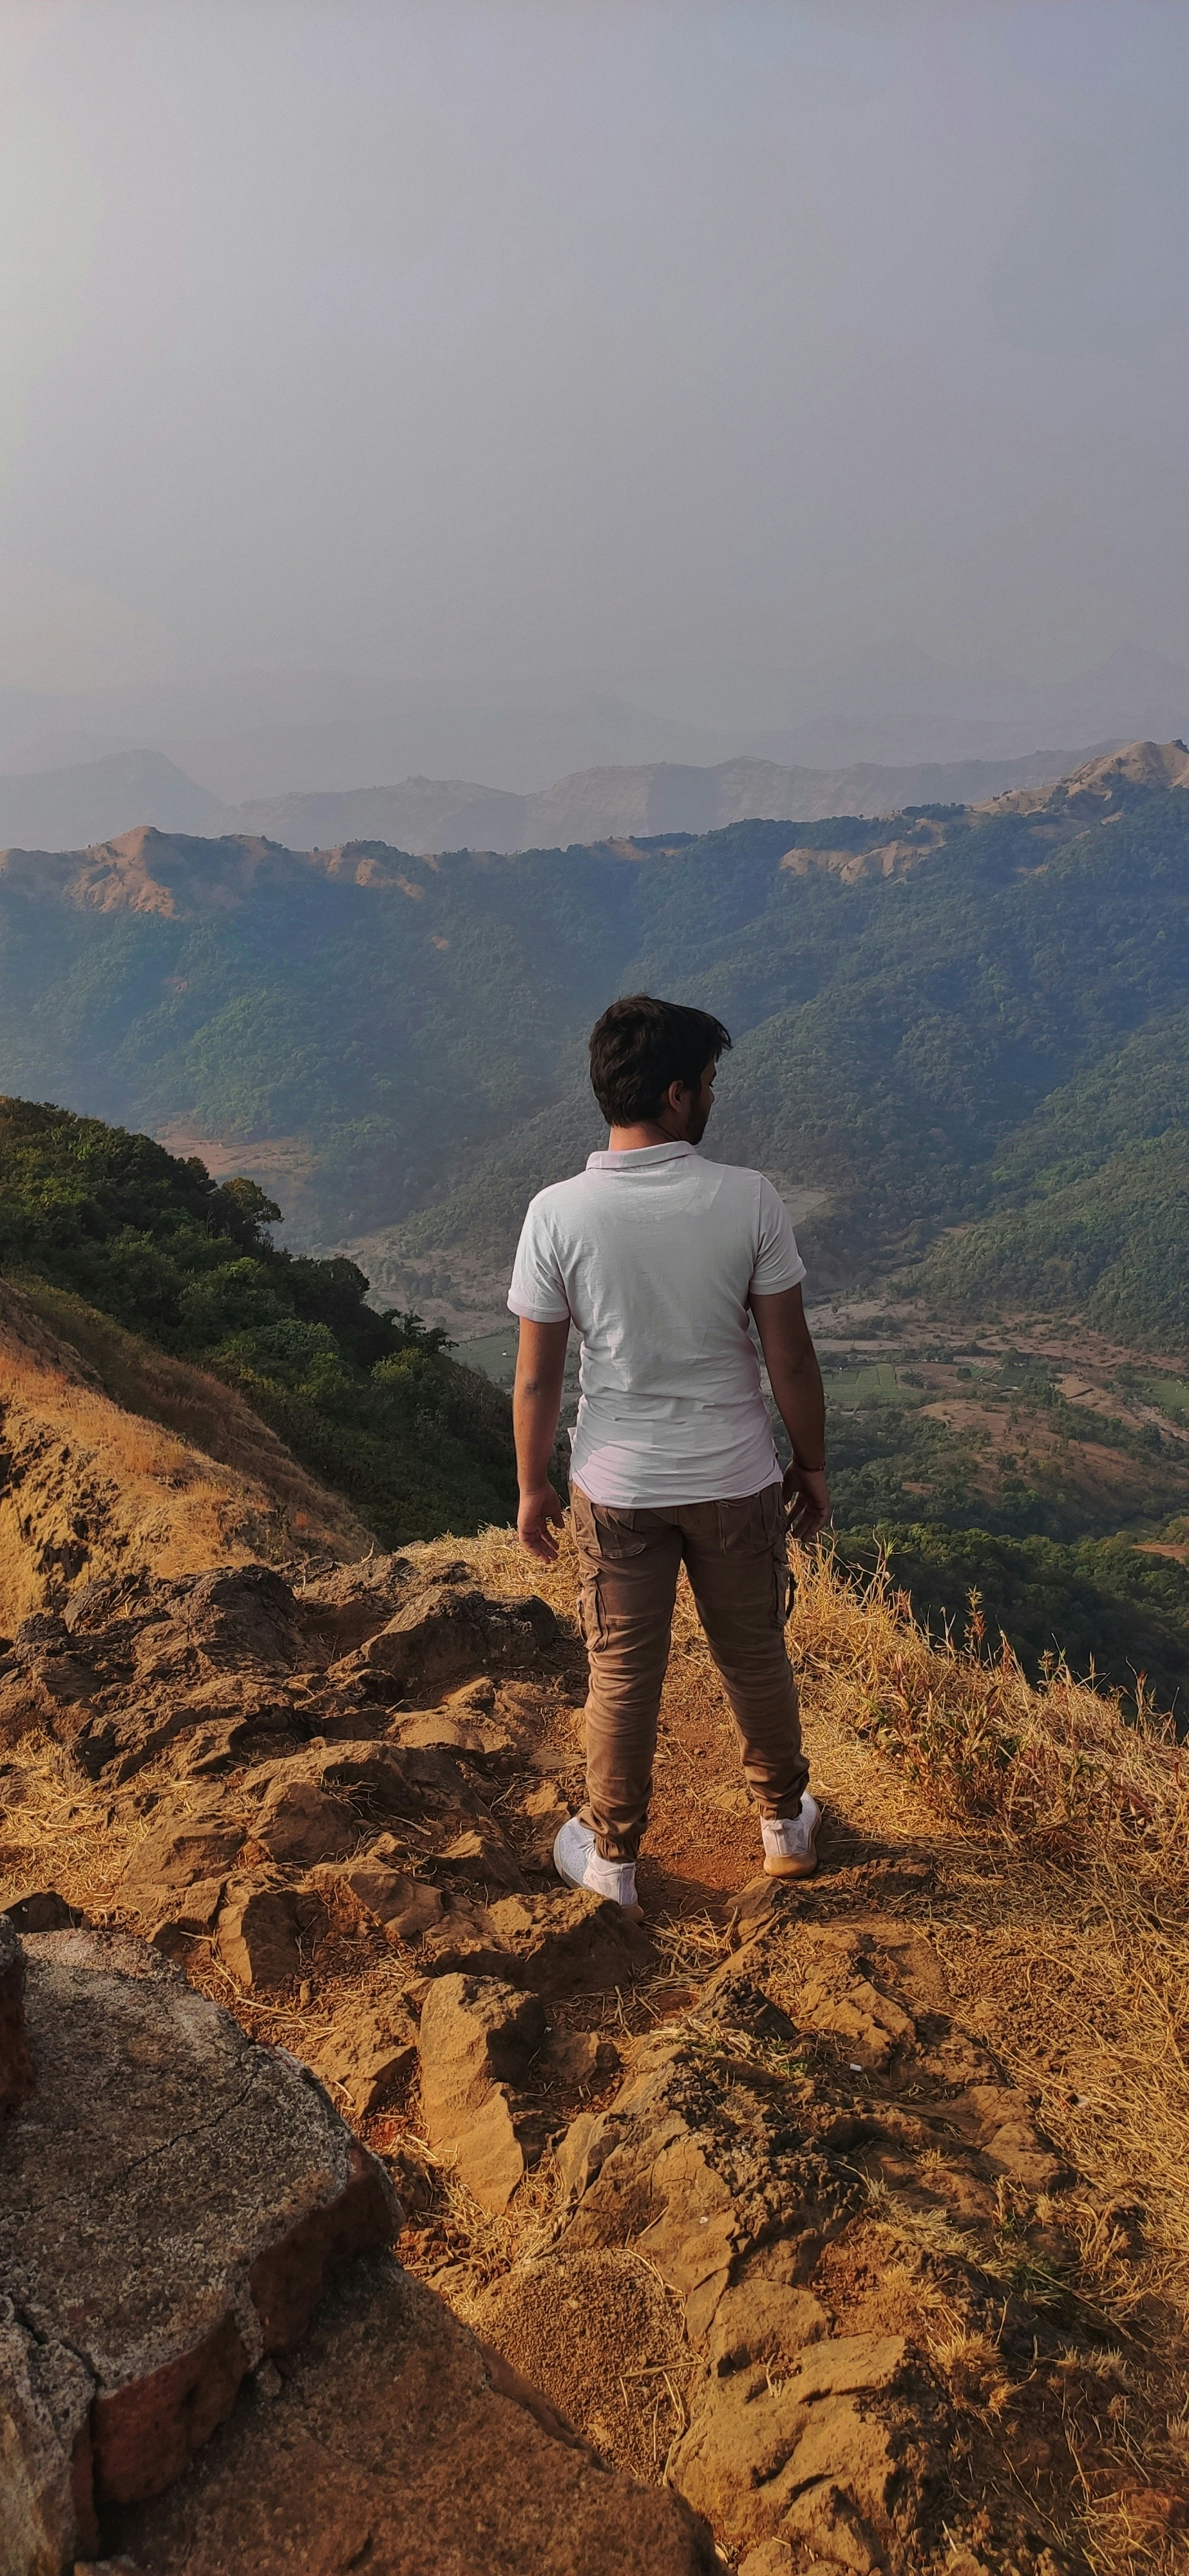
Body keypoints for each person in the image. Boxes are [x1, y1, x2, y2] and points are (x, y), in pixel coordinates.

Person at [508, 992, 829, 1920]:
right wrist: (807, 1463)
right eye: (712, 1083)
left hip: (616, 1486)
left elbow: (537, 1381)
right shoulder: (748, 1199)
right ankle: (782, 1824)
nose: (713, 1098)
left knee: (620, 1671)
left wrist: (533, 1485)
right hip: (736, 1478)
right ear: (680, 1094)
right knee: (753, 1654)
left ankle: (610, 1859)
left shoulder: (556, 1213)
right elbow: (790, 1356)